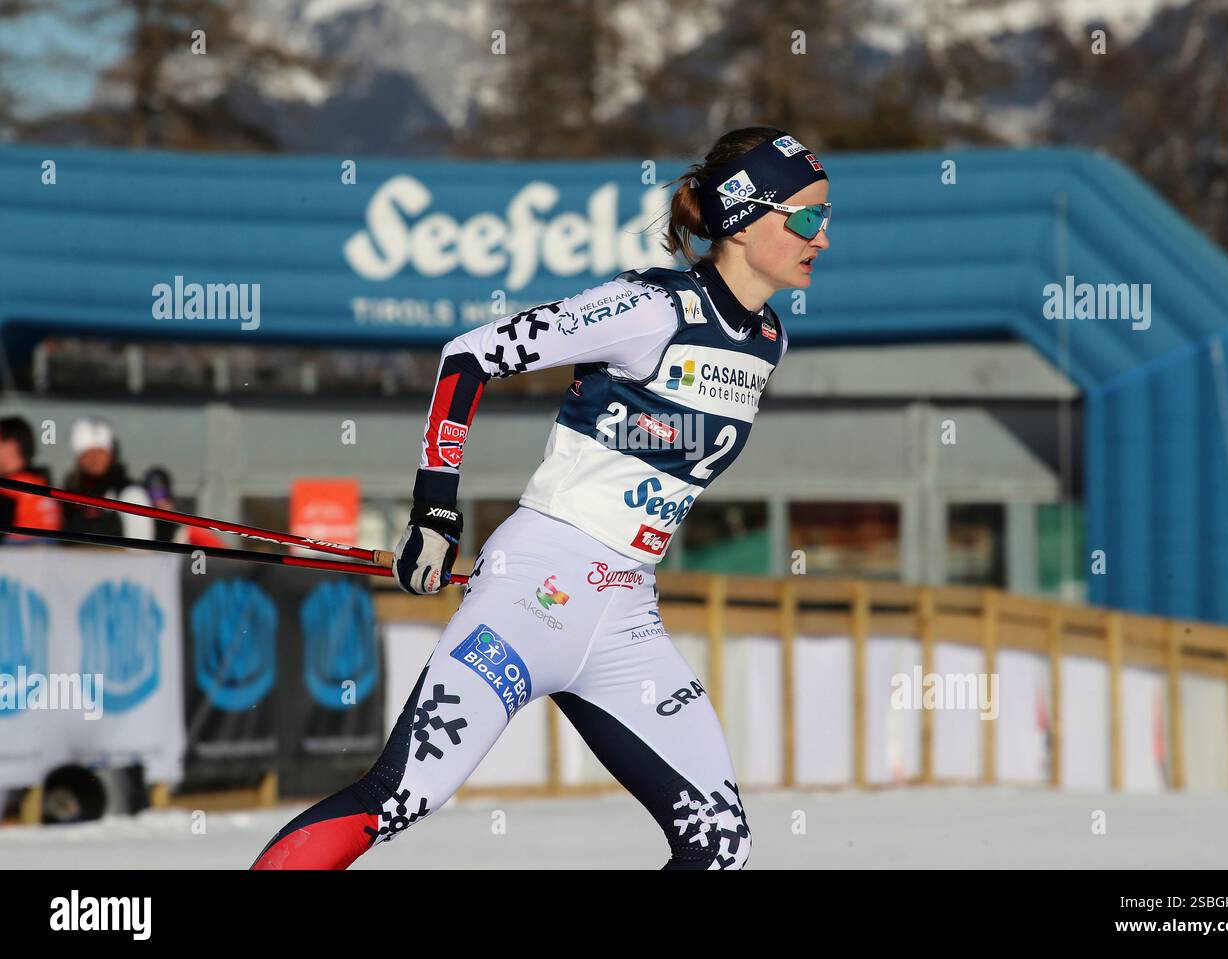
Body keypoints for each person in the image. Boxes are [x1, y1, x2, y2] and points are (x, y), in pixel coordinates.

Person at [252, 126, 831, 870]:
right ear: (744, 220)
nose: (822, 237)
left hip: (625, 616)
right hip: (533, 595)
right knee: (399, 796)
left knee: (719, 843)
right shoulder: (651, 307)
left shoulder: (767, 339)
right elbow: (468, 357)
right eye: (807, 218)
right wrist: (434, 512)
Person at [60, 416, 154, 540]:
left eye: (100, 452)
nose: (95, 459)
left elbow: (141, 551)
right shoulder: (68, 497)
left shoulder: (130, 494)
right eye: (87, 454)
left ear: (111, 454)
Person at [0, 416, 61, 543]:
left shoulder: (11, 488)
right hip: (49, 552)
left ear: (13, 445)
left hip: (20, 552)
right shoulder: (40, 481)